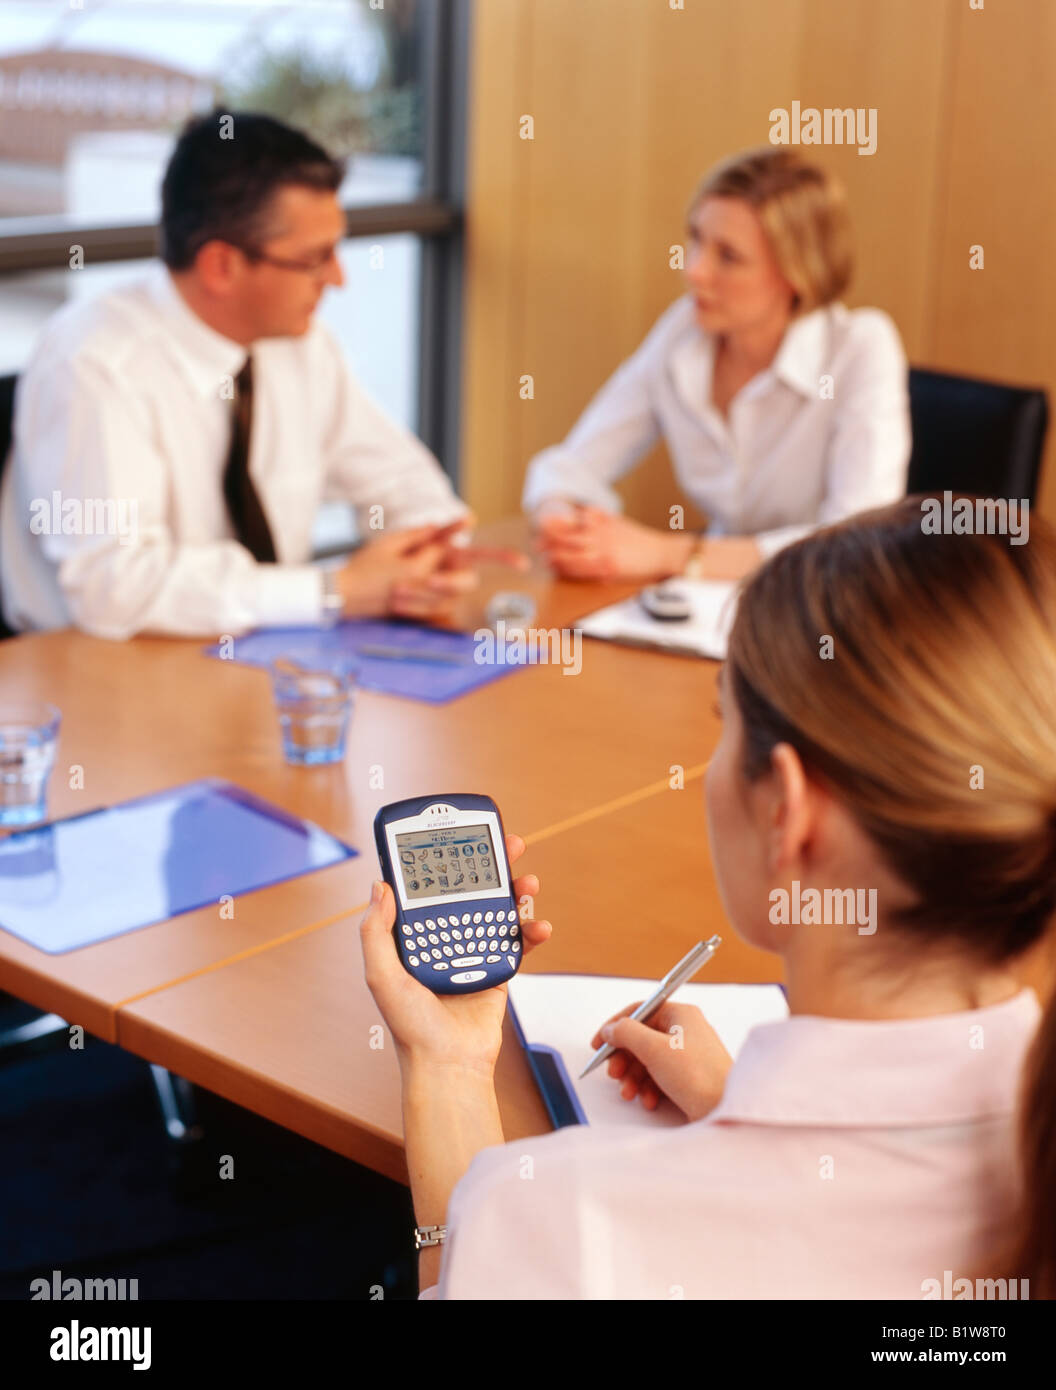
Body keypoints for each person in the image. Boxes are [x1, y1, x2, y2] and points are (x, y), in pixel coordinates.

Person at [361, 497, 1056, 1299]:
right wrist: (740, 1109)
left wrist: (446, 1066)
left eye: (724, 722)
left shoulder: (560, 1221)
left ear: (786, 811)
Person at [0, 112, 519, 640]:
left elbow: (398, 480)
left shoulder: (300, 345)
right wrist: (333, 589)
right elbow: (113, 588)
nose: (338, 280)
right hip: (94, 673)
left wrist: (426, 551)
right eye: (315, 259)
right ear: (221, 265)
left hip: (259, 648)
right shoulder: (94, 362)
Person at [523, 148, 911, 584]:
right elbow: (569, 467)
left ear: (796, 274)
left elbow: (854, 547)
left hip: (817, 614)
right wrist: (564, 522)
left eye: (728, 256)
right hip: (712, 605)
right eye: (696, 241)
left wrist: (669, 553)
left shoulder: (860, 347)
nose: (695, 271)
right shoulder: (683, 333)